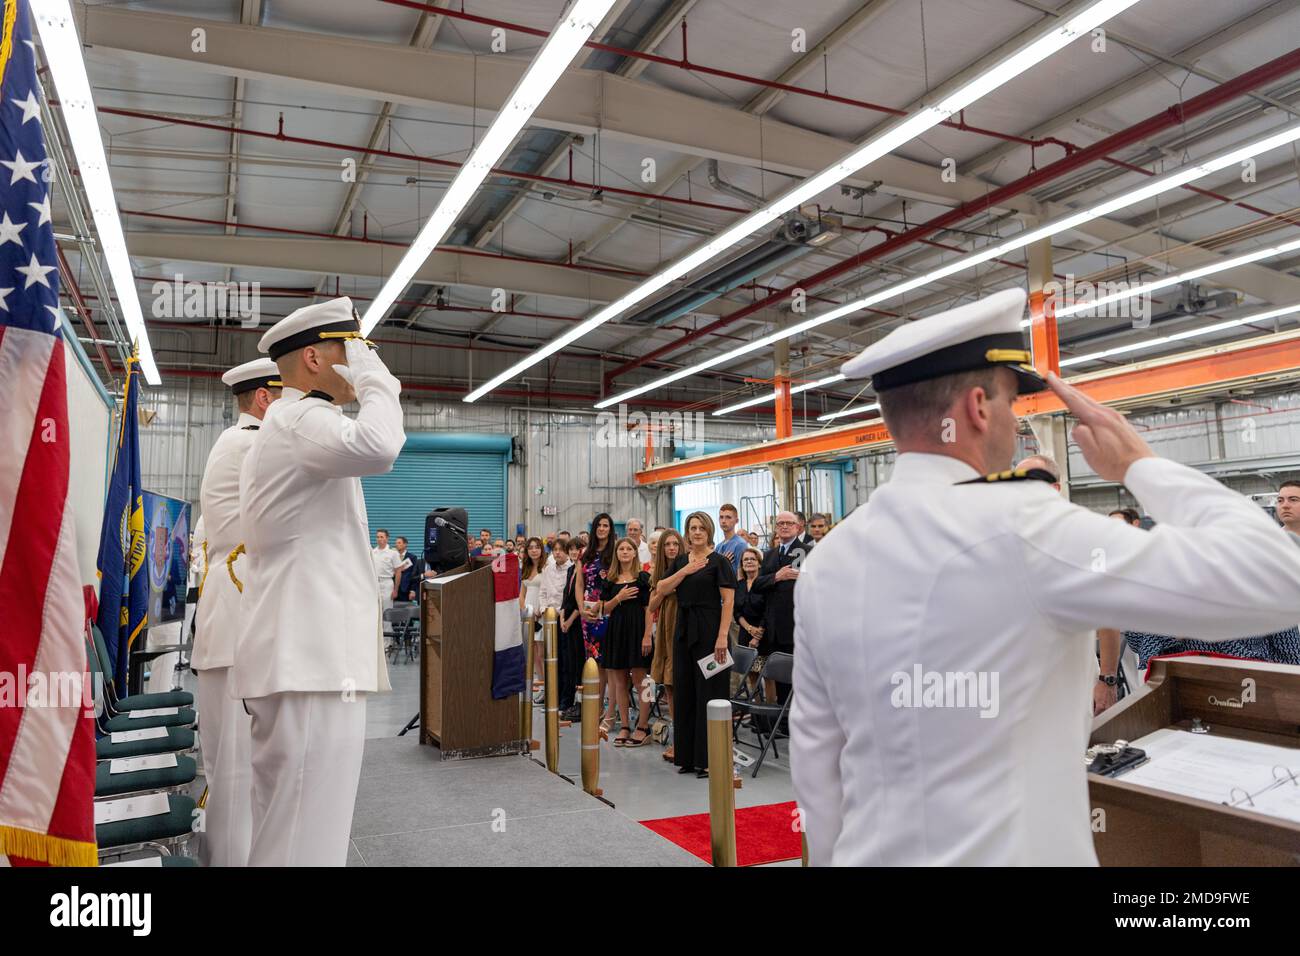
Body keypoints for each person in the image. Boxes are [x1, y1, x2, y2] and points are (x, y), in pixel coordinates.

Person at [789, 287, 1300, 866]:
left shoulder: (830, 559)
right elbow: (1282, 577)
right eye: (1011, 405)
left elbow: (816, 761)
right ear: (979, 408)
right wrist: (1141, 465)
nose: (1015, 425)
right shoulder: (1026, 529)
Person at [233, 296, 405, 866]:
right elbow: (382, 444)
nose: (359, 361)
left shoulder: (296, 422)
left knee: (296, 826)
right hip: (307, 658)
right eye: (348, 350)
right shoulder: (303, 419)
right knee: (305, 831)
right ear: (313, 358)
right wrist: (381, 381)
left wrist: (362, 366)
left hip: (307, 656)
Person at [192, 357, 281, 867]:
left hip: (233, 620)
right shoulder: (250, 445)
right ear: (265, 398)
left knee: (235, 772)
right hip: (235, 625)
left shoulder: (238, 443)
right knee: (233, 775)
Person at [655, 512, 736, 778]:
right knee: (686, 692)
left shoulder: (720, 562)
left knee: (710, 694)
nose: (697, 532)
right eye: (693, 528)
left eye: (702, 528)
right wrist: (686, 570)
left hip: (711, 633)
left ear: (709, 531)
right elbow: (661, 588)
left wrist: (723, 636)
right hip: (684, 632)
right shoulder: (680, 561)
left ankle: (710, 758)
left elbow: (728, 601)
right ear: (687, 532)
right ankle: (688, 756)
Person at [753, 510, 812, 701]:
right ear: (776, 528)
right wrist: (777, 576)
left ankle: (792, 724)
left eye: (789, 523)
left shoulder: (803, 551)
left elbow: (796, 586)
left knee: (796, 680)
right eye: (781, 523)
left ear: (797, 527)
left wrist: (781, 580)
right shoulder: (769, 555)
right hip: (773, 627)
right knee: (779, 679)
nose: (785, 526)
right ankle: (782, 724)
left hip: (794, 625)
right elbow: (756, 585)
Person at [600, 538, 653, 746]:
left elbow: (649, 609)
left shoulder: (643, 578)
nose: (624, 552)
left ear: (634, 553)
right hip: (616, 633)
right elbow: (603, 609)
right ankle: (624, 725)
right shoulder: (610, 580)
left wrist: (647, 635)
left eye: (628, 548)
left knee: (642, 680)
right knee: (620, 682)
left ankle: (643, 725)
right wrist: (618, 597)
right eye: (621, 548)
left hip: (637, 632)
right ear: (616, 553)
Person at [648, 528, 683, 762]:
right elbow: (652, 605)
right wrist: (664, 588)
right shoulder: (658, 572)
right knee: (668, 685)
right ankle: (676, 739)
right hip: (665, 628)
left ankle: (684, 740)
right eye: (667, 544)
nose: (671, 548)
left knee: (681, 684)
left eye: (675, 544)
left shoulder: (688, 567)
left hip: (683, 625)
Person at [580, 513, 616, 737]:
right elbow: (578, 582)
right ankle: (596, 708)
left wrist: (601, 607)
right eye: (599, 525)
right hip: (587, 611)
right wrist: (581, 609)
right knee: (592, 664)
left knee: (607, 665)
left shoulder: (614, 553)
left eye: (606, 525)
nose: (602, 529)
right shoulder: (586, 553)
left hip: (607, 611)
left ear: (610, 529)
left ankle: (607, 713)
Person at [733, 547, 767, 696]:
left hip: (763, 635)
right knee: (752, 675)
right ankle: (757, 717)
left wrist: (757, 633)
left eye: (752, 559)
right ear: (742, 564)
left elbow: (768, 610)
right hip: (745, 634)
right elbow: (736, 611)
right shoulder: (739, 585)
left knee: (767, 676)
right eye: (745, 559)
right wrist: (749, 629)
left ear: (759, 563)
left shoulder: (765, 582)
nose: (749, 562)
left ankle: (769, 718)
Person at [558, 538, 585, 721]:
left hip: (577, 620)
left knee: (577, 663)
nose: (574, 552)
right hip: (566, 618)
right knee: (566, 662)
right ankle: (565, 701)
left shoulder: (584, 570)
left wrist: (571, 619)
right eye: (572, 550)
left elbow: (579, 598)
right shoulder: (570, 569)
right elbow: (565, 597)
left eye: (578, 549)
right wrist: (561, 617)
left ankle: (578, 703)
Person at [372, 529, 409, 645]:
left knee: (386, 612)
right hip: (375, 583)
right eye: (377, 537)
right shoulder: (373, 552)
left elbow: (398, 571)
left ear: (387, 538)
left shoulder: (393, 553)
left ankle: (388, 642)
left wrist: (395, 589)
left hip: (387, 583)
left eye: (382, 537)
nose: (379, 539)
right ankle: (376, 642)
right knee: (375, 613)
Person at [520, 536, 546, 694]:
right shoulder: (526, 567)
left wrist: (540, 610)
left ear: (541, 550)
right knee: (533, 653)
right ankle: (542, 687)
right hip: (528, 613)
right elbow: (522, 593)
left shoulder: (547, 567)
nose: (534, 550)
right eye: (530, 548)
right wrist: (525, 610)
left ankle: (550, 687)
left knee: (542, 652)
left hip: (542, 612)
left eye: (537, 547)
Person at [715, 503, 747, 574]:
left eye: (728, 517)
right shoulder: (718, 547)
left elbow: (742, 574)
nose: (723, 521)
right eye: (721, 517)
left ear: (736, 521)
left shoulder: (740, 544)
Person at [393, 536, 421, 602]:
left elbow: (414, 574)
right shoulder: (393, 556)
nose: (396, 545)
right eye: (396, 543)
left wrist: (413, 590)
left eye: (399, 543)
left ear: (405, 544)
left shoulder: (412, 557)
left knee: (405, 610)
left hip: (405, 590)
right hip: (393, 589)